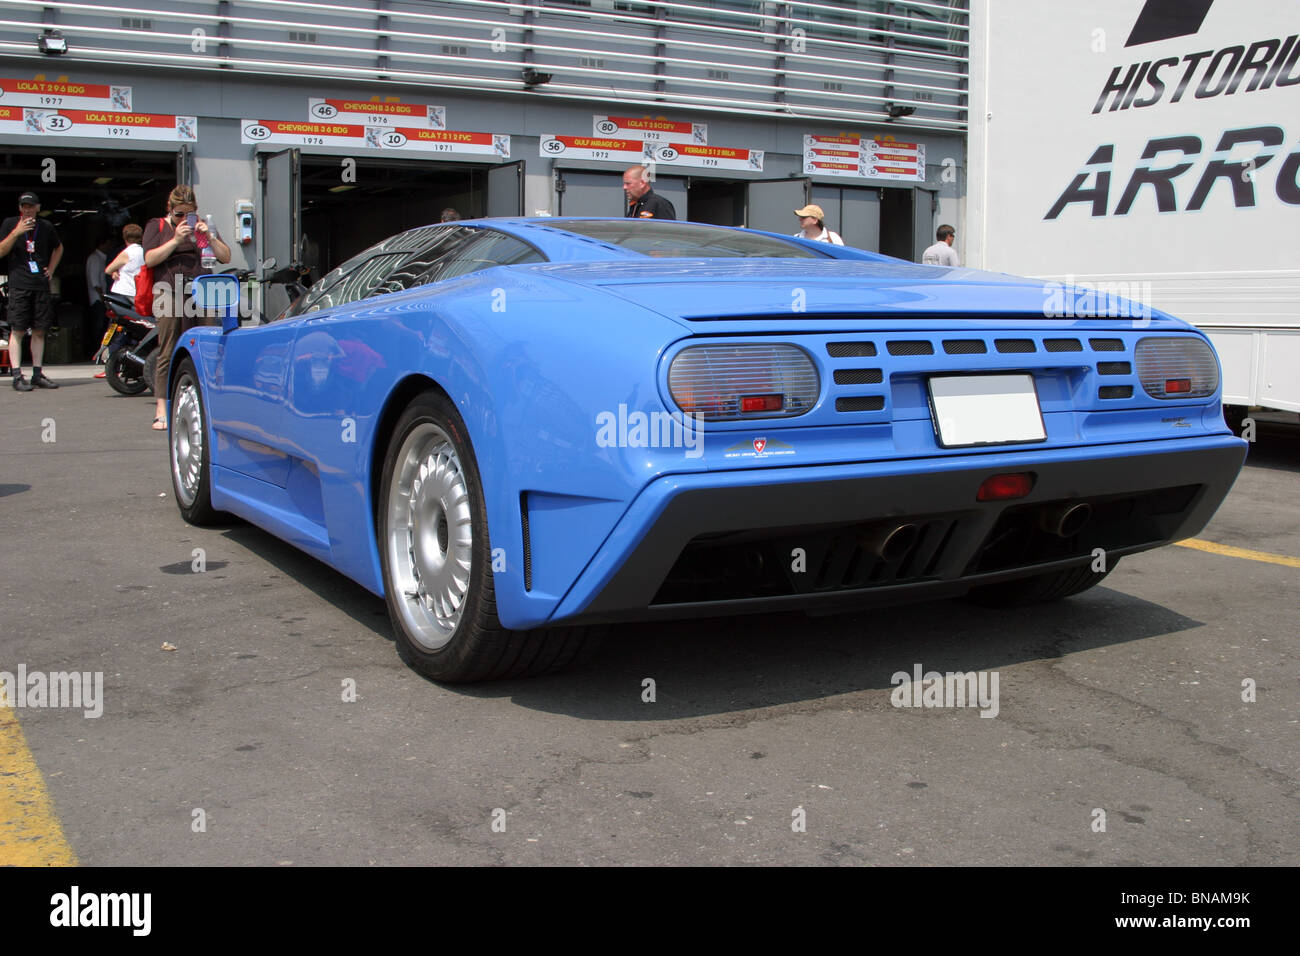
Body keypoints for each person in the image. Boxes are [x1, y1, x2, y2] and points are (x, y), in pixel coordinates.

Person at [143, 185, 231, 430]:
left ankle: (204, 402)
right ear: (169, 210)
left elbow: (225, 257)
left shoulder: (203, 225)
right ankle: (162, 407)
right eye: (179, 214)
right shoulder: (157, 226)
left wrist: (210, 236)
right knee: (168, 347)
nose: (185, 219)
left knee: (205, 346)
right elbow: (149, 259)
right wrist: (175, 240)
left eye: (189, 214)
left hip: (201, 289)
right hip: (168, 290)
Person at [0, 191, 63, 391]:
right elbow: (2, 251)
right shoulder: (9, 224)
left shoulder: (45, 227)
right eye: (24, 206)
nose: (27, 210)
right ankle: (17, 375)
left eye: (31, 206)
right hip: (19, 284)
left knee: (39, 330)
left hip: (40, 284)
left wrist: (51, 270)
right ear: (19, 208)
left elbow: (59, 247)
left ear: (37, 208)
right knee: (17, 330)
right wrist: (17, 232)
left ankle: (37, 373)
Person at [85, 235, 114, 357]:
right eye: (108, 244)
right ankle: (94, 351)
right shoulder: (95, 258)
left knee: (101, 325)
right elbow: (95, 282)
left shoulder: (102, 258)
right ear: (102, 244)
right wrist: (103, 297)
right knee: (98, 327)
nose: (110, 246)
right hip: (98, 299)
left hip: (101, 297)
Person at [106, 222, 145, 297]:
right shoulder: (145, 252)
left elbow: (108, 270)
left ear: (124, 237)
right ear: (141, 237)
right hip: (138, 291)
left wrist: (114, 271)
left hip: (124, 291)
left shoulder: (126, 253)